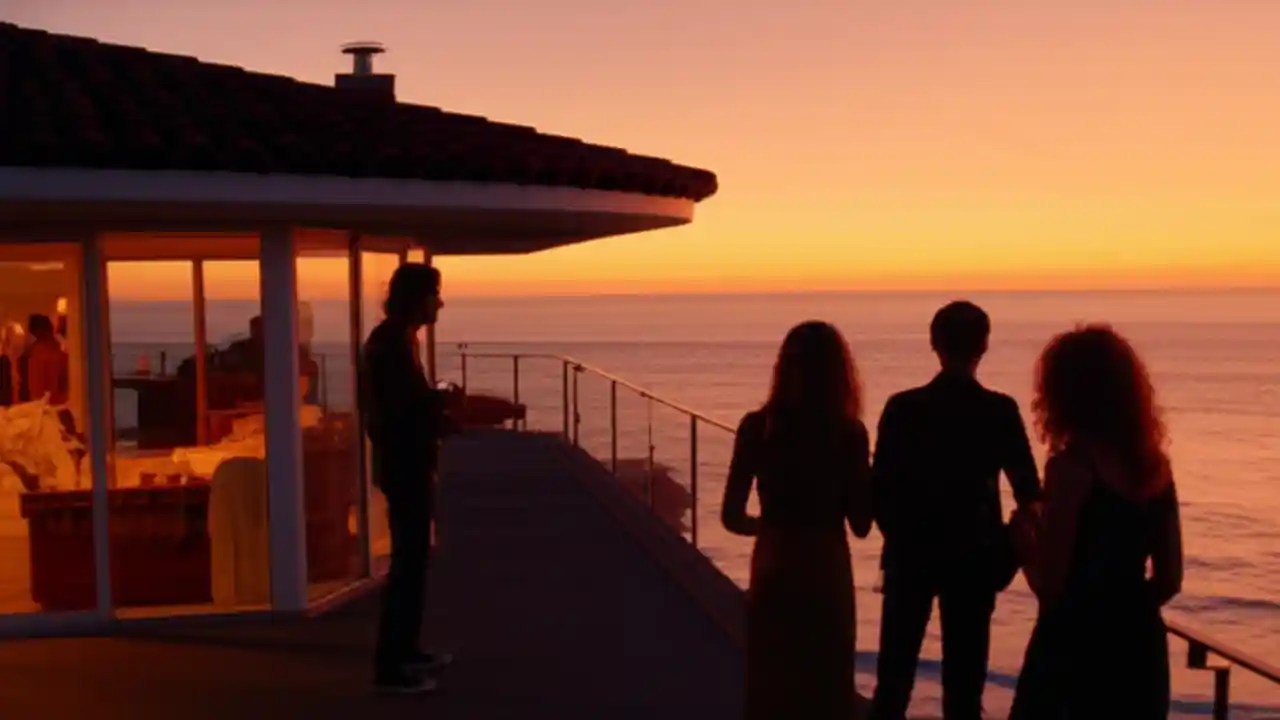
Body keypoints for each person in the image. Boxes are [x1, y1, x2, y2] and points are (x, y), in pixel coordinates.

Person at [869, 301, 1041, 720]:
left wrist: (901, 536)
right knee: (965, 689)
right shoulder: (999, 410)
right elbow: (1030, 494)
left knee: (893, 681)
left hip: (911, 556)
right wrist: (1008, 554)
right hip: (975, 560)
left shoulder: (902, 408)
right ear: (983, 346)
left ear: (934, 343)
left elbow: (880, 490)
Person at [1009, 325, 1182, 718]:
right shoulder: (1155, 469)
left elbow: (1051, 588)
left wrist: (1025, 547)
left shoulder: (1070, 470)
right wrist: (1124, 613)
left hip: (1071, 651)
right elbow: (1170, 578)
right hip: (1139, 651)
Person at [721, 321, 872, 719]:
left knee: (772, 683)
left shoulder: (757, 427)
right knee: (827, 684)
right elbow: (860, 523)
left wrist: (769, 525)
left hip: (774, 563)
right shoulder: (849, 433)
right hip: (826, 567)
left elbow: (731, 517)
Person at [361, 263, 456, 694]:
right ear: (417, 297)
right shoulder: (392, 345)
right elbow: (400, 410)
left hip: (407, 463)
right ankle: (391, 666)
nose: (440, 302)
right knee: (407, 564)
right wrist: (439, 407)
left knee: (414, 562)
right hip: (404, 466)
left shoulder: (398, 340)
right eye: (434, 294)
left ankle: (406, 650)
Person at [21, 314, 69, 405]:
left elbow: (37, 394)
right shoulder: (62, 356)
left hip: (47, 409)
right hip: (63, 408)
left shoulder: (38, 355)